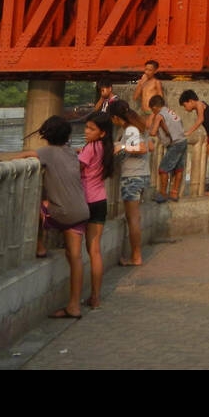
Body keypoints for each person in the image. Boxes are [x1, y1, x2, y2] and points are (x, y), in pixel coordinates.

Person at [5, 116, 90, 318]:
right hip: (81, 211)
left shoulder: (47, 152)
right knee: (75, 258)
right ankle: (74, 306)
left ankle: (40, 246)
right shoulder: (71, 152)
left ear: (46, 135)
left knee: (37, 205)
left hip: (62, 212)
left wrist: (3, 159)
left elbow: (26, 154)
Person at [77, 111, 114, 309]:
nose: (86, 132)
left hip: (86, 200)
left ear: (102, 133)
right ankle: (96, 297)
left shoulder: (90, 148)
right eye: (86, 127)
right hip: (101, 200)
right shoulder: (105, 148)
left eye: (91, 129)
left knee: (81, 249)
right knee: (95, 251)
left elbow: (77, 168)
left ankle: (82, 296)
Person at [109, 100, 150, 265]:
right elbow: (150, 145)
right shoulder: (137, 126)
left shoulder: (131, 129)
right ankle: (136, 255)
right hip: (142, 174)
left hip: (132, 177)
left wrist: (122, 148)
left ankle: (136, 257)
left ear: (116, 117)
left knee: (132, 218)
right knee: (134, 217)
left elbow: (142, 148)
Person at [180, 89, 209, 201]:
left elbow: (200, 119)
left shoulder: (199, 104)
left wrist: (189, 132)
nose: (185, 109)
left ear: (190, 101)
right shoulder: (205, 104)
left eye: (185, 105)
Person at [146, 93, 188, 202]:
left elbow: (153, 132)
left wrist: (149, 128)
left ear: (154, 107)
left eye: (152, 110)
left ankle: (163, 194)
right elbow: (169, 127)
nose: (152, 112)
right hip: (183, 141)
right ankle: (174, 193)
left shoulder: (159, 115)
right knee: (179, 168)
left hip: (175, 144)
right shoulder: (170, 112)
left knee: (163, 169)